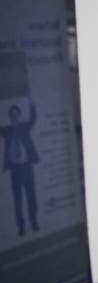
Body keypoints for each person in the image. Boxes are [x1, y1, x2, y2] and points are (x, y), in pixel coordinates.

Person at [1, 101, 40, 236]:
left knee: (31, 197)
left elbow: (33, 119)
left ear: (19, 115)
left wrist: (32, 103)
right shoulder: (6, 130)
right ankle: (21, 226)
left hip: (27, 167)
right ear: (9, 117)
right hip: (15, 171)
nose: (14, 117)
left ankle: (33, 221)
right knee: (17, 200)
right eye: (12, 115)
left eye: (16, 115)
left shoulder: (24, 127)